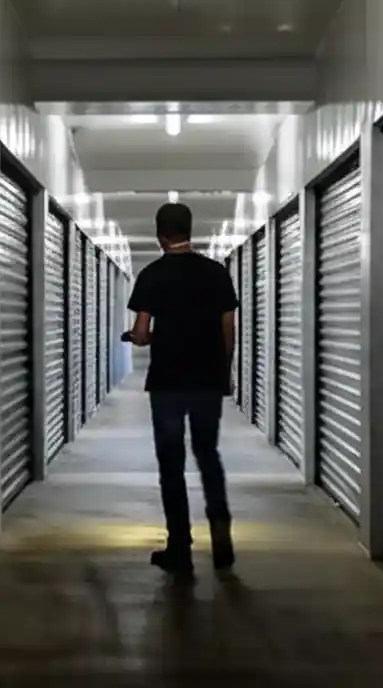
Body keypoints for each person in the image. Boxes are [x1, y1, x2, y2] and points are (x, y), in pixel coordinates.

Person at [125, 202, 237, 574]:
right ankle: (221, 534)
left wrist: (145, 338)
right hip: (207, 379)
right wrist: (225, 370)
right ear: (191, 230)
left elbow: (141, 333)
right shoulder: (216, 273)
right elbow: (228, 329)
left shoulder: (153, 274)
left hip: (168, 382)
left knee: (171, 465)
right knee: (208, 454)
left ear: (160, 235)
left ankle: (180, 548)